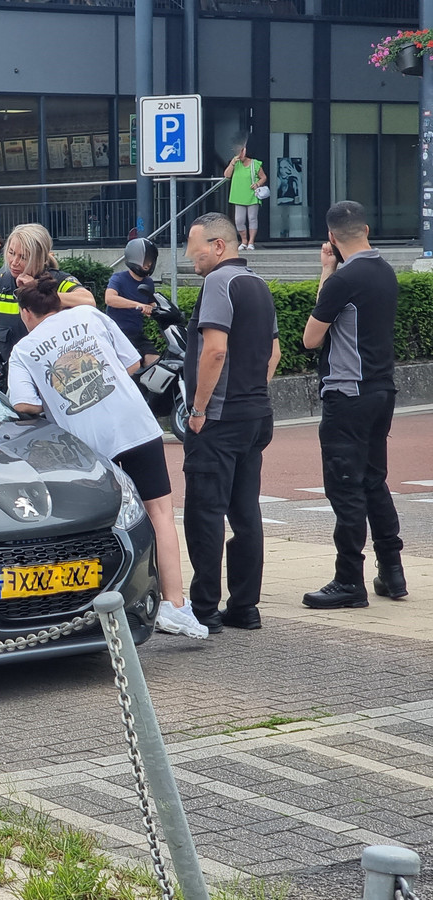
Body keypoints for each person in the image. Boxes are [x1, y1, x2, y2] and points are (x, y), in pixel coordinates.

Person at [8, 273, 207, 640]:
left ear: (26, 313)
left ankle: (95, 604)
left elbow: (25, 403)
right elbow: (131, 364)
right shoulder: (93, 317)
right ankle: (174, 605)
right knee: (160, 514)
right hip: (136, 426)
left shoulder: (24, 349)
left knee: (96, 524)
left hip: (88, 445)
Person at [300, 200, 405, 609]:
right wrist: (331, 270)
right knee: (374, 480)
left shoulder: (346, 280)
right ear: (366, 230)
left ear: (331, 237)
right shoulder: (384, 271)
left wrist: (328, 272)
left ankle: (349, 581)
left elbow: (311, 338)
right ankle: (392, 573)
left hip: (348, 394)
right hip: (382, 391)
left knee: (345, 488)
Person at [182, 213, 281, 633]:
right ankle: (245, 606)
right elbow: (274, 352)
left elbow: (214, 350)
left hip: (219, 420)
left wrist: (199, 409)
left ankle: (204, 607)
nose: (190, 257)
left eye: (194, 247)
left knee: (205, 512)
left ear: (219, 246)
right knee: (245, 512)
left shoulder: (219, 283)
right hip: (255, 415)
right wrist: (252, 391)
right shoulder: (257, 284)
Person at [0, 223, 95, 391]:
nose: (14, 262)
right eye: (11, 253)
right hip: (9, 384)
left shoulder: (57, 281)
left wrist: (39, 290)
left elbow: (88, 301)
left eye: (23, 257)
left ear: (40, 258)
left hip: (54, 386)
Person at [104, 237, 161, 367]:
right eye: (145, 260)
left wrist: (160, 314)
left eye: (150, 261)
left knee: (155, 362)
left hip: (136, 334)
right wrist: (138, 305)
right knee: (133, 365)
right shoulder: (118, 278)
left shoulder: (148, 282)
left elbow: (151, 304)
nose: (148, 264)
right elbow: (110, 299)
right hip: (117, 334)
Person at [223, 145, 267, 250]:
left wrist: (257, 184)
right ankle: (244, 241)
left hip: (251, 195)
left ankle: (251, 242)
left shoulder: (255, 163)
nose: (239, 154)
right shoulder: (235, 163)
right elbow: (227, 175)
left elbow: (263, 177)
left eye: (242, 151)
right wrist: (232, 163)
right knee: (239, 220)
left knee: (252, 218)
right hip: (238, 195)